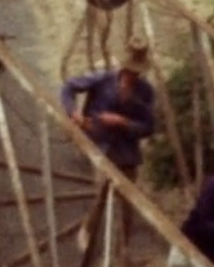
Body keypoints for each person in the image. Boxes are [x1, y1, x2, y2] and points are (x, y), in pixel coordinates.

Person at [59, 38, 157, 177]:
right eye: (130, 70)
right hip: (98, 145)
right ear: (124, 67)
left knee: (124, 194)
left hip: (126, 155)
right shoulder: (103, 79)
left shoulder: (145, 91)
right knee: (99, 187)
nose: (132, 75)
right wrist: (73, 112)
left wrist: (123, 122)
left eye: (136, 72)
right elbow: (68, 88)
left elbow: (149, 127)